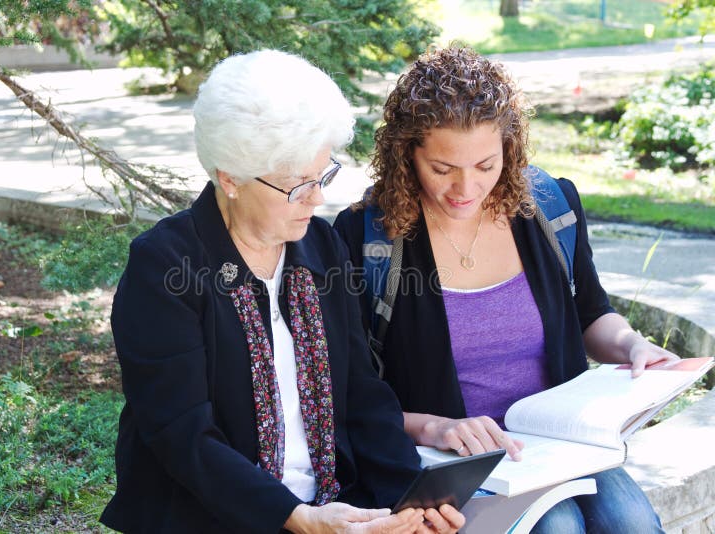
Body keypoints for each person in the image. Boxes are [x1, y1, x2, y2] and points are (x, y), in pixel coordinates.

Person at [99, 50, 465, 534]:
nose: (318, 199)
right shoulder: (165, 265)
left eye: (323, 175)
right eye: (298, 186)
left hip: (336, 503)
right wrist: (297, 519)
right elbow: (182, 434)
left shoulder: (321, 245)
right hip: (212, 518)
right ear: (230, 179)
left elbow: (361, 394)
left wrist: (412, 498)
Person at [333, 44, 676, 533]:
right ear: (406, 154)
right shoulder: (366, 239)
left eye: (485, 166)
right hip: (450, 457)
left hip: (557, 445)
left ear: (509, 149)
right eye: (442, 169)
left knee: (634, 522)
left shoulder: (547, 206)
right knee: (557, 527)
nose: (465, 189)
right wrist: (437, 427)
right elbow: (350, 390)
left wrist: (631, 345)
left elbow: (591, 314)